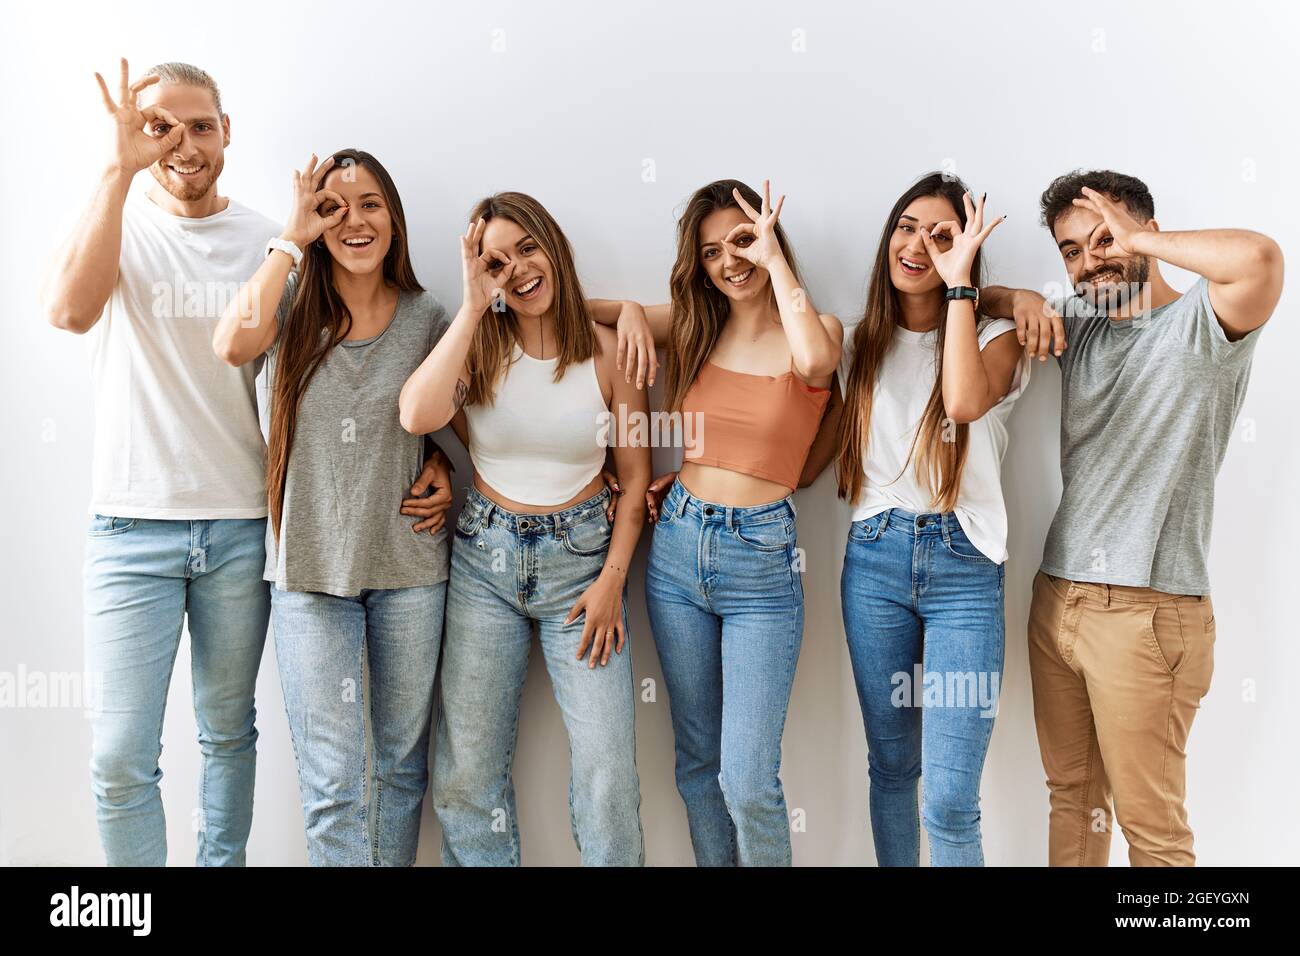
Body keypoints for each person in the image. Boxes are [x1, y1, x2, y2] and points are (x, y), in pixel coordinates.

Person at [984, 169, 1283, 866]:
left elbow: (1262, 259)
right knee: (1074, 800)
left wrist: (1141, 239)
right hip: (1057, 600)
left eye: (1105, 238)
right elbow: (985, 297)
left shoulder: (1206, 323)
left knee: (1153, 831)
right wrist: (1022, 295)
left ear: (1145, 228)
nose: (1091, 260)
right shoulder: (1081, 329)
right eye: (1071, 251)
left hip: (1148, 614)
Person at [213, 150, 454, 866]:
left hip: (410, 569)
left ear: (394, 218)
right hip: (309, 575)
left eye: (371, 203)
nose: (354, 219)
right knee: (332, 786)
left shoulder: (427, 317)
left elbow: (457, 423)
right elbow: (230, 344)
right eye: (334, 205)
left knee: (399, 771)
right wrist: (291, 238)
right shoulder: (285, 307)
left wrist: (449, 472)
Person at [592, 179, 842, 866]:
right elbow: (567, 311)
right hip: (676, 544)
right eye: (710, 252)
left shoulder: (816, 332)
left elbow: (818, 363)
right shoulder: (697, 324)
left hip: (762, 560)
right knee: (698, 763)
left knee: (748, 778)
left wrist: (774, 258)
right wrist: (632, 314)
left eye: (742, 241)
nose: (729, 261)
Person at [400, 192, 650, 866]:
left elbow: (633, 486)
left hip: (585, 569)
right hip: (485, 561)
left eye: (527, 249)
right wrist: (476, 303)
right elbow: (418, 414)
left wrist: (611, 583)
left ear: (554, 245)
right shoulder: (476, 344)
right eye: (496, 262)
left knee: (607, 779)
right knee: (466, 777)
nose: (517, 270)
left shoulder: (610, 354)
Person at [827, 173, 1030, 866]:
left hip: (964, 569)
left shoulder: (999, 337)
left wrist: (964, 288)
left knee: (948, 797)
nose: (919, 244)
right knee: (891, 770)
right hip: (875, 562)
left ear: (966, 251)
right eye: (907, 227)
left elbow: (964, 403)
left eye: (942, 235)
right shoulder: (858, 346)